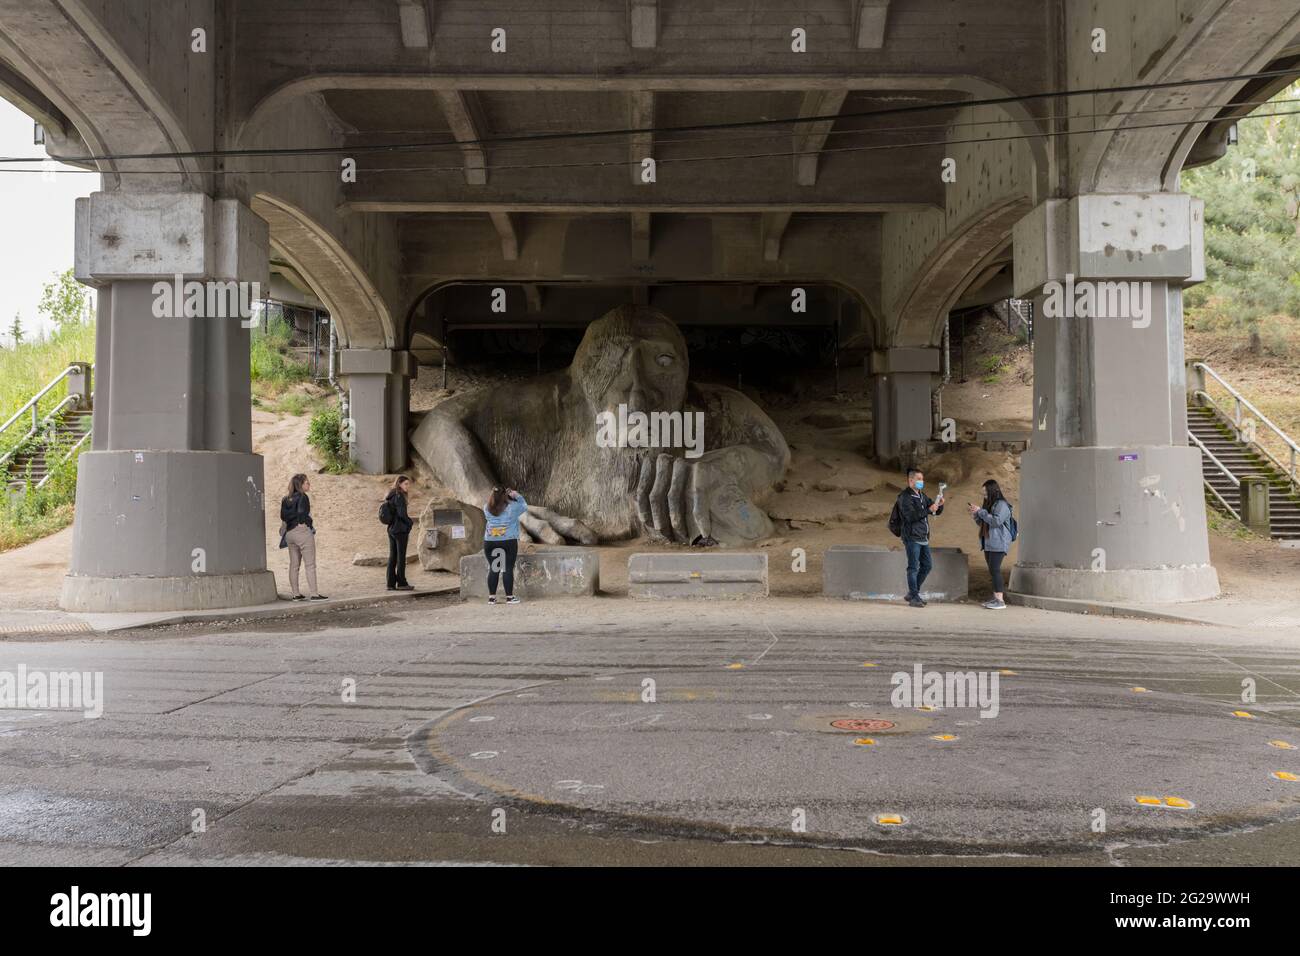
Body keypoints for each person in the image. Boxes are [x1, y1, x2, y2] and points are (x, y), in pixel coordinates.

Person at [893, 467, 943, 608]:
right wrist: (928, 510)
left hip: (923, 536)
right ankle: (914, 596)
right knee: (913, 567)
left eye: (922, 479)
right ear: (911, 480)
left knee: (927, 566)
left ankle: (912, 593)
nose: (922, 481)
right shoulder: (904, 497)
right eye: (919, 479)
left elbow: (935, 511)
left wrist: (939, 506)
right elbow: (910, 516)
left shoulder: (922, 495)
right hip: (911, 537)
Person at [280, 474, 326, 601]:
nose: (309, 484)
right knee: (310, 565)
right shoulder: (303, 497)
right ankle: (314, 594)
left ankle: (296, 594)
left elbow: (283, 517)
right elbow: (301, 513)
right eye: (307, 483)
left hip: (289, 533)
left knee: (294, 565)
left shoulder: (285, 499)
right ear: (300, 485)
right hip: (302, 532)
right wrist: (306, 524)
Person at [970, 479, 1013, 610]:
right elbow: (983, 523)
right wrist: (976, 515)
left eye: (986, 493)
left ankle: (1000, 601)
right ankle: (996, 598)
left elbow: (996, 522)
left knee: (995, 569)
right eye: (983, 493)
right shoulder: (990, 504)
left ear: (993, 491)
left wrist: (981, 512)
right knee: (992, 570)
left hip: (999, 542)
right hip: (988, 542)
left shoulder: (1002, 505)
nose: (985, 496)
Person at [483, 486, 528, 605]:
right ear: (505, 496)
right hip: (508, 541)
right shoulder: (512, 508)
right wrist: (515, 495)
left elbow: (495, 506)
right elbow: (524, 506)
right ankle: (509, 598)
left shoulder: (486, 508)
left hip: (490, 541)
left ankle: (492, 598)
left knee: (494, 568)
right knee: (507, 568)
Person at [384, 475, 416, 591]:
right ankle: (402, 583)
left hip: (391, 529)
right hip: (400, 530)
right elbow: (402, 514)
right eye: (406, 484)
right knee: (401, 557)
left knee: (393, 556)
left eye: (408, 484)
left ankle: (390, 584)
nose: (408, 486)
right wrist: (410, 523)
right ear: (399, 484)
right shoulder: (399, 496)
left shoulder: (391, 495)